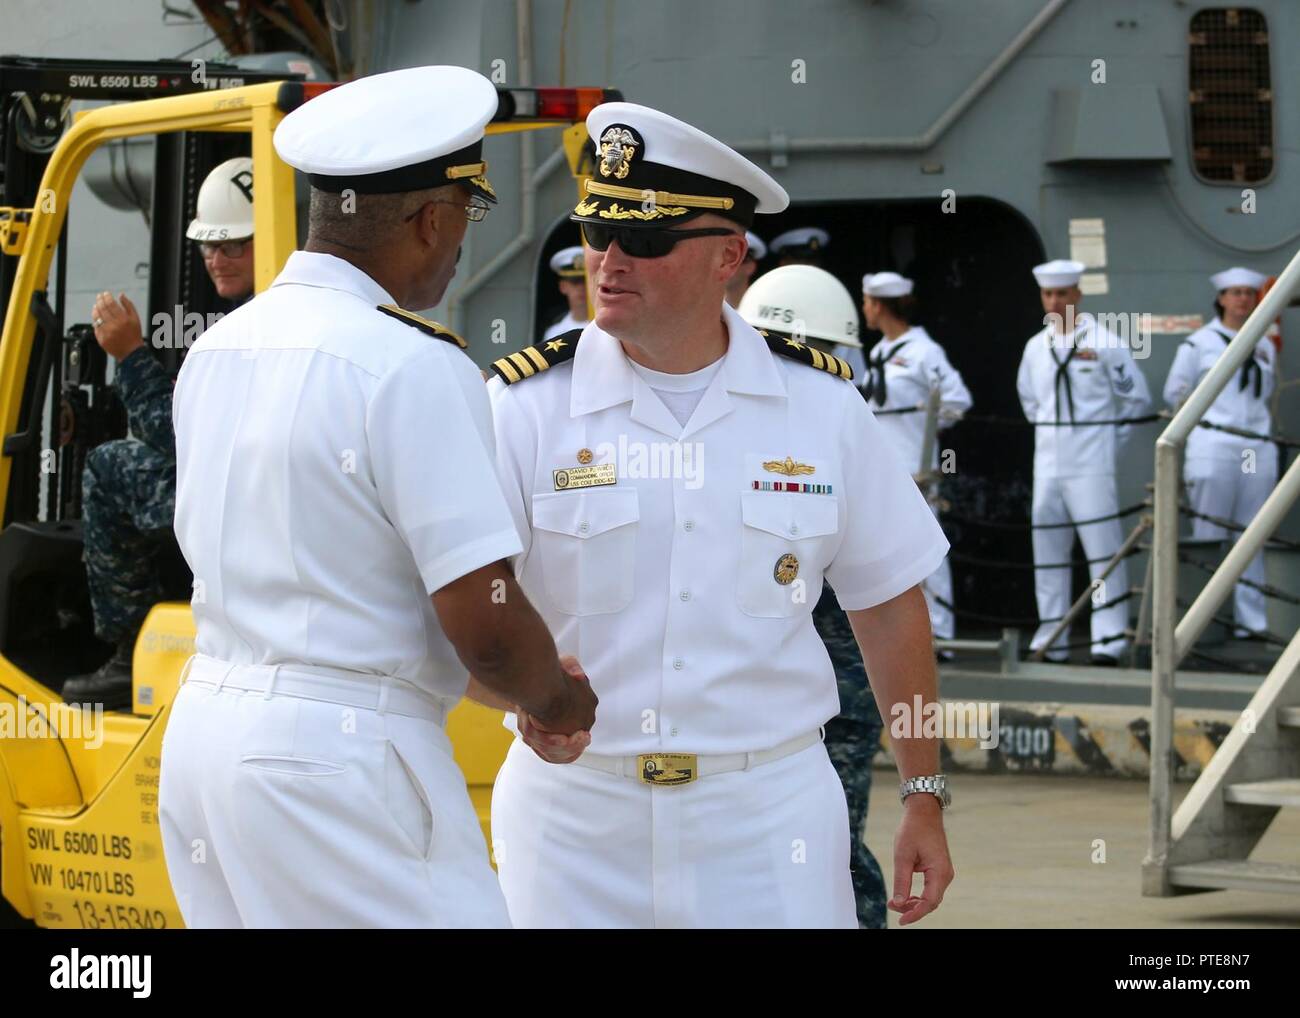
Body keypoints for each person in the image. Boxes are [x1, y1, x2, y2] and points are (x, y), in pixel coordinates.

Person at [484, 102, 954, 929]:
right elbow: (459, 597)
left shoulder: (820, 407)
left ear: (728, 257)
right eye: (598, 230)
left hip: (769, 823)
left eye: (647, 239)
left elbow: (888, 607)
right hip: (573, 819)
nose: (611, 259)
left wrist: (922, 792)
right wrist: (514, 694)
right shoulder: (523, 407)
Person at [159, 66, 596, 929]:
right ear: (432, 219)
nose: (463, 239)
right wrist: (556, 702)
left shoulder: (218, 351)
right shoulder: (413, 364)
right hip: (337, 760)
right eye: (467, 214)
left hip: (206, 738)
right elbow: (486, 621)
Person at [62, 157, 258, 709]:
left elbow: (180, 438)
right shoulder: (263, 311)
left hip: (240, 496)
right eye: (208, 247)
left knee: (110, 467)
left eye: (233, 246)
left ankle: (130, 654)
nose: (216, 259)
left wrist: (129, 357)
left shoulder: (257, 322)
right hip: (262, 489)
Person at [738, 263, 887, 928]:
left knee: (834, 861)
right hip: (752, 713)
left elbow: (889, 591)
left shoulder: (839, 430)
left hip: (838, 699)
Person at [1016, 259, 1151, 664]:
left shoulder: (1106, 343)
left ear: (1077, 294)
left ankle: (1109, 639)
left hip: (1091, 463)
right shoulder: (1035, 348)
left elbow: (1137, 400)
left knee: (1102, 551)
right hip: (1049, 465)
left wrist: (1109, 445)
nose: (1055, 301)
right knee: (1048, 550)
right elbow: (1030, 402)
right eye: (1048, 294)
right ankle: (1051, 635)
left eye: (1062, 293)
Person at [1164, 266, 1278, 637]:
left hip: (1254, 445)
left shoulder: (1262, 343)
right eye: (1236, 293)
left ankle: (1251, 621)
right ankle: (1205, 620)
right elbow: (1176, 394)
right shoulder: (1198, 345)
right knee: (1210, 532)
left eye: (1248, 293)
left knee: (1252, 533)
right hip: (1214, 445)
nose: (1242, 299)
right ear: (1221, 299)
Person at [861, 271, 972, 650]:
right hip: (883, 467)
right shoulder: (877, 352)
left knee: (928, 546)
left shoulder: (925, 351)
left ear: (878, 305)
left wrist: (927, 430)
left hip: (915, 465)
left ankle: (941, 630)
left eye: (867, 302)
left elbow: (957, 401)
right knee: (886, 550)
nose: (864, 309)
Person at [543, 245, 591, 340]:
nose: (582, 287)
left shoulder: (610, 328)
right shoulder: (554, 334)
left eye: (586, 281)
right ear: (563, 287)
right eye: (575, 282)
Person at [722, 230, 766, 307]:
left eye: (733, 259)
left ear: (750, 267)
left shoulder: (761, 309)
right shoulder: (701, 307)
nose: (722, 265)